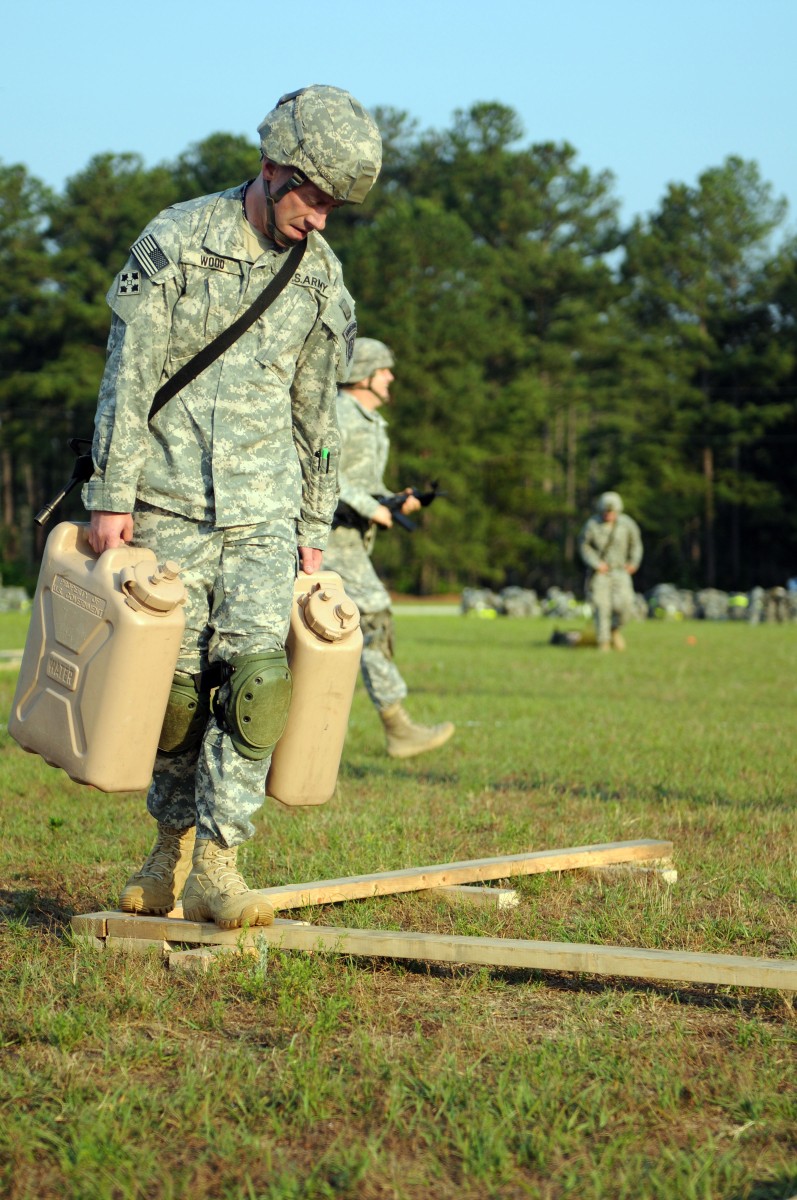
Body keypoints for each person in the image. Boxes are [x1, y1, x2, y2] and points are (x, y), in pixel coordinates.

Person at [82, 86, 382, 929]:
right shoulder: (176, 241)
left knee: (254, 686)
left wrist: (314, 528)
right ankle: (164, 852)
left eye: (333, 207)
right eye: (312, 198)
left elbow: (317, 417)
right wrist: (111, 495)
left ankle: (220, 862)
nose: (319, 219)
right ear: (274, 168)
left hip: (265, 516)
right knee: (174, 695)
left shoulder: (320, 280)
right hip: (168, 504)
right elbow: (128, 377)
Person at [322, 338, 455, 758]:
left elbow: (358, 482)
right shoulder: (339, 414)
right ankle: (397, 725)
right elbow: (320, 465)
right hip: (327, 539)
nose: (391, 377)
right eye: (384, 370)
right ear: (363, 374)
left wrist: (391, 501)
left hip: (347, 541)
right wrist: (367, 506)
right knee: (374, 612)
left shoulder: (371, 421)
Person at [578, 491, 643, 651]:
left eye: (611, 511)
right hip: (600, 572)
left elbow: (636, 544)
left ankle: (614, 629)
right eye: (606, 511)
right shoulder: (592, 525)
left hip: (621, 571)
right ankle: (603, 642)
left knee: (626, 605)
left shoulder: (627, 524)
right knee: (601, 606)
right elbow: (583, 546)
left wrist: (633, 563)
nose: (608, 514)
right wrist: (596, 563)